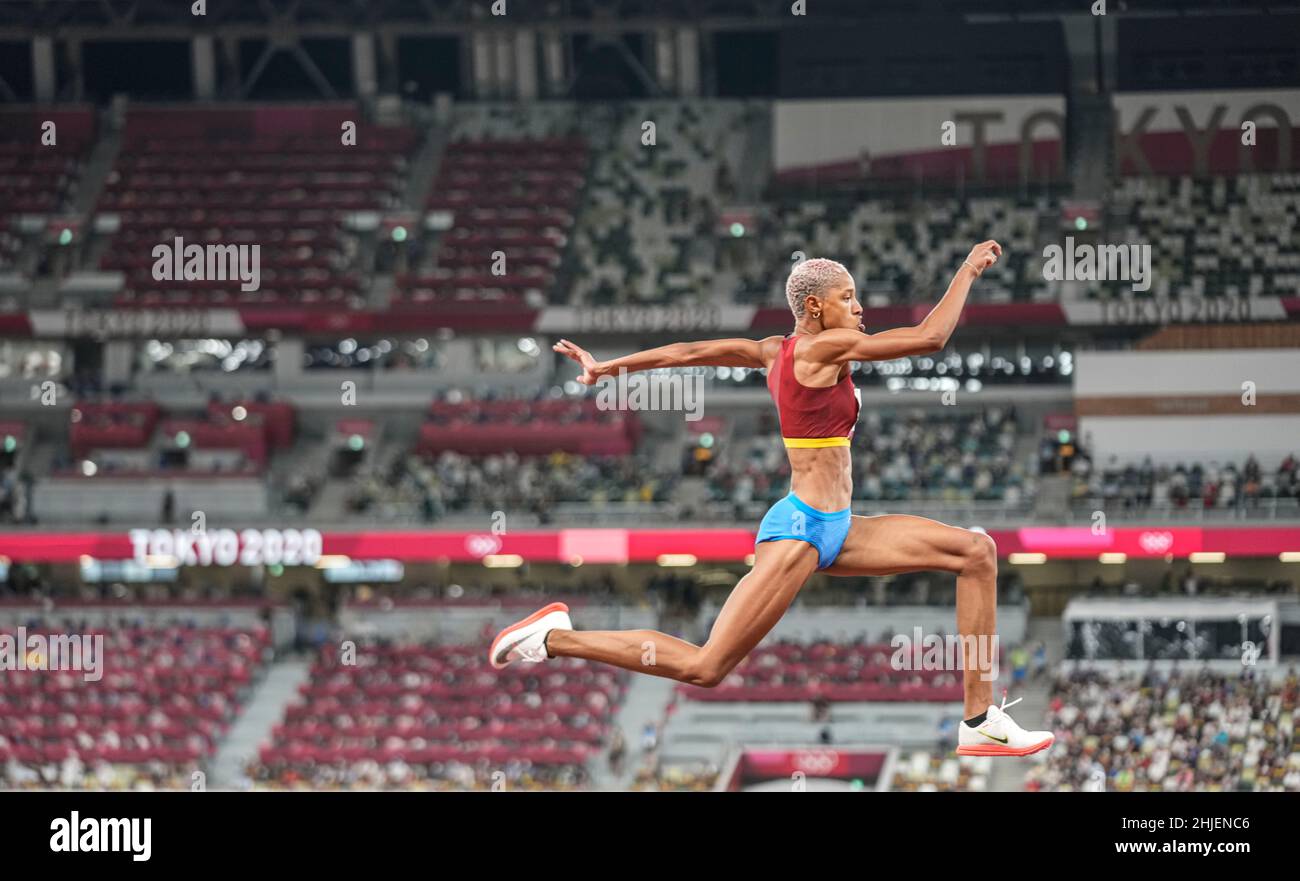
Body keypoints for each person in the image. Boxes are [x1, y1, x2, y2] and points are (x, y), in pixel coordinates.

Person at [489, 242, 1053, 757]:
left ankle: (979, 719)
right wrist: (968, 270)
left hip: (839, 525)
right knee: (706, 666)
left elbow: (691, 353)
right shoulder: (823, 349)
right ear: (813, 308)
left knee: (976, 553)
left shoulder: (771, 351)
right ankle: (552, 638)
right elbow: (929, 338)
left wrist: (610, 367)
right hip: (801, 530)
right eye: (847, 297)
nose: (859, 307)